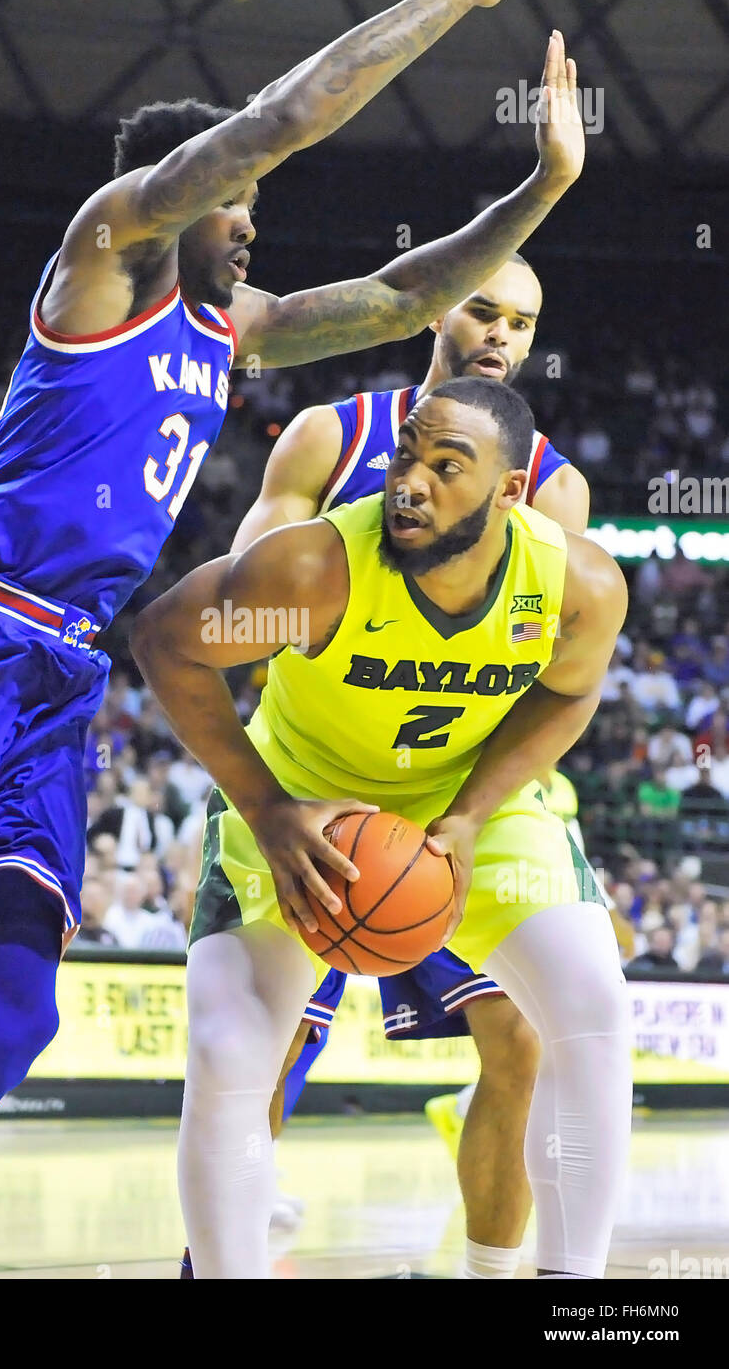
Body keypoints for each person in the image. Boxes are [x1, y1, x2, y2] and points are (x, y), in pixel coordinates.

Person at [0, 0, 584, 1278]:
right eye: (237, 205)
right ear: (175, 189)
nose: (251, 229)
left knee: (9, 1010)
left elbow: (392, 295)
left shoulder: (231, 330)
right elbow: (278, 117)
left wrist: (541, 188)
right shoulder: (104, 257)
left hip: (56, 670)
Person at [132, 378, 631, 1280]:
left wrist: (475, 811)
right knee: (228, 1049)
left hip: (464, 797)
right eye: (407, 456)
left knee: (591, 1009)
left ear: (510, 492)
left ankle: (574, 1296)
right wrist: (267, 809)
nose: (410, 483)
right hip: (296, 797)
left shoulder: (575, 586)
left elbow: (569, 692)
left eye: (447, 467)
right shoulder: (316, 568)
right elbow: (165, 639)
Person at [231, 251, 590, 1276]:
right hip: (321, 778)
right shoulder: (327, 437)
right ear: (435, 309)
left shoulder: (551, 490)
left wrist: (471, 805)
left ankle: (492, 1275)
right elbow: (249, 616)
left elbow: (554, 675)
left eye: (520, 323)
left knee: (521, 1034)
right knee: (265, 1041)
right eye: (481, 310)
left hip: (452, 796)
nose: (499, 336)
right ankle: (227, 1239)